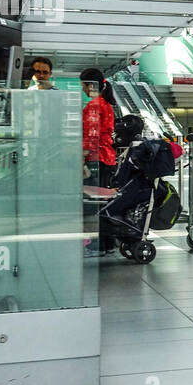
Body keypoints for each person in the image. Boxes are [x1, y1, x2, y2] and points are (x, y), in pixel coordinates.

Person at [81, 67, 117, 256]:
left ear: (90, 85)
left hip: (96, 159)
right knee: (103, 202)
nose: (83, 90)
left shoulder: (94, 106)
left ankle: (98, 245)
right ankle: (108, 242)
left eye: (84, 86)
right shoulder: (106, 104)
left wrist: (81, 157)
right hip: (107, 158)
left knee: (93, 203)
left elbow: (91, 136)